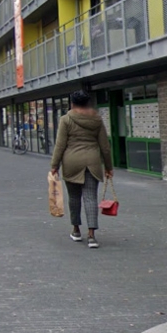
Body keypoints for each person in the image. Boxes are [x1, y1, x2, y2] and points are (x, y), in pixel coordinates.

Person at [50, 90, 113, 249]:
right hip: (92, 162)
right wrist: (108, 167)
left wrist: (54, 165)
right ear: (87, 104)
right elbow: (105, 147)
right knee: (91, 197)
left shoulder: (66, 119)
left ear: (72, 103)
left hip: (71, 162)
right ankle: (92, 236)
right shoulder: (97, 119)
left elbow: (60, 145)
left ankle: (76, 230)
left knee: (74, 197)